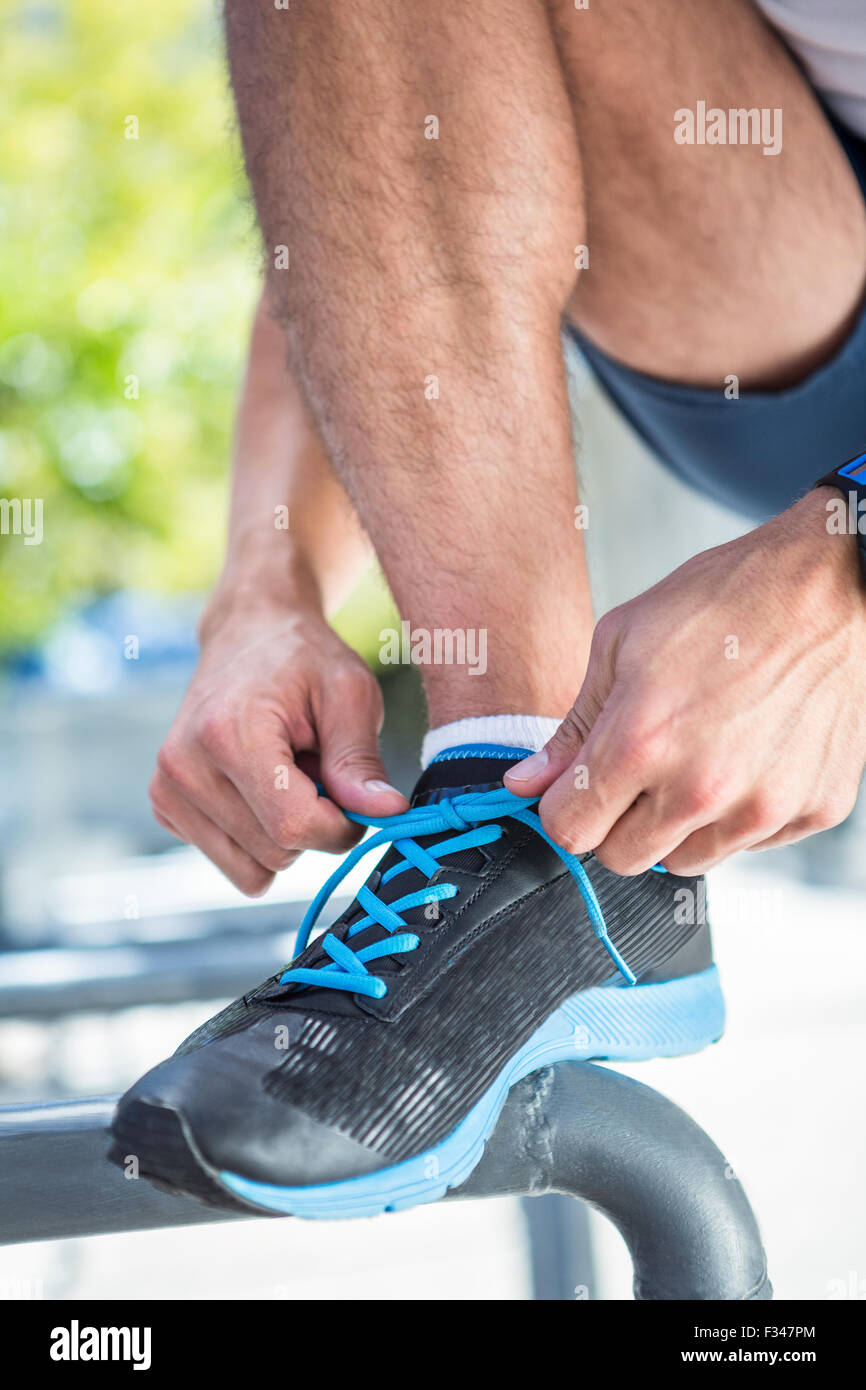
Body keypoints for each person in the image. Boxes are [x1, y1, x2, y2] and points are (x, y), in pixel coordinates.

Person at [111, 0, 866, 1217]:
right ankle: (533, 835)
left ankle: (548, 869)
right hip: (781, 254)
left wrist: (845, 564)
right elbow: (384, 156)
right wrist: (264, 590)